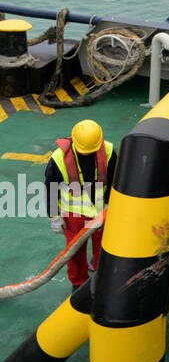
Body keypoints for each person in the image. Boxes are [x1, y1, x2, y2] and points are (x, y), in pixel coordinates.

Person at [44, 119, 116, 287]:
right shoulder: (58, 159)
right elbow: (50, 189)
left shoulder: (109, 151)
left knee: (104, 247)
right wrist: (54, 216)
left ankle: (102, 281)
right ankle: (78, 283)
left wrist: (109, 202)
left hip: (101, 210)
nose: (86, 154)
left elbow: (115, 179)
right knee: (75, 252)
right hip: (73, 214)